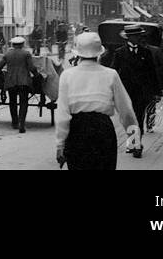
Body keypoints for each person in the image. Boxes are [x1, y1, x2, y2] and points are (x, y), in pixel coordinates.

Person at [55, 32, 139, 170]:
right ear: (99, 53)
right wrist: (134, 139)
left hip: (77, 131)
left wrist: (60, 145)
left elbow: (62, 115)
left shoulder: (67, 76)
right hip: (103, 129)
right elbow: (126, 111)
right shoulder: (111, 75)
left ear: (77, 53)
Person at [100, 25, 162, 157]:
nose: (139, 38)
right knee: (128, 118)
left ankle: (137, 144)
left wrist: (156, 91)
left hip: (141, 92)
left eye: (140, 35)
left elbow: (152, 73)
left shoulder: (146, 53)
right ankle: (133, 142)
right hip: (125, 93)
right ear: (129, 37)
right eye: (136, 35)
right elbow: (113, 72)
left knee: (139, 118)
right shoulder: (120, 53)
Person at [0, 36, 40, 133]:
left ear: (13, 45)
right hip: (23, 82)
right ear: (22, 44)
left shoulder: (8, 54)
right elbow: (31, 67)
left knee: (13, 102)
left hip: (11, 82)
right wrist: (37, 75)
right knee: (23, 103)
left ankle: (14, 123)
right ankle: (21, 124)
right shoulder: (26, 54)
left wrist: (1, 73)